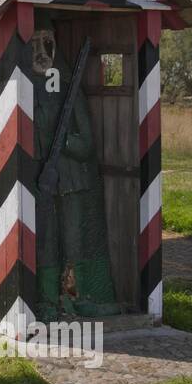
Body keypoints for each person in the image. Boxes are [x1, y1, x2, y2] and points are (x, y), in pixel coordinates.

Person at [29, 27, 121, 321]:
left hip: (72, 183)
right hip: (42, 181)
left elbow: (86, 144)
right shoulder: (25, 89)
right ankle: (46, 300)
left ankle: (79, 296)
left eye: (47, 43)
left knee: (74, 242)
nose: (41, 52)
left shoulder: (69, 87)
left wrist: (63, 140)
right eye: (34, 44)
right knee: (45, 243)